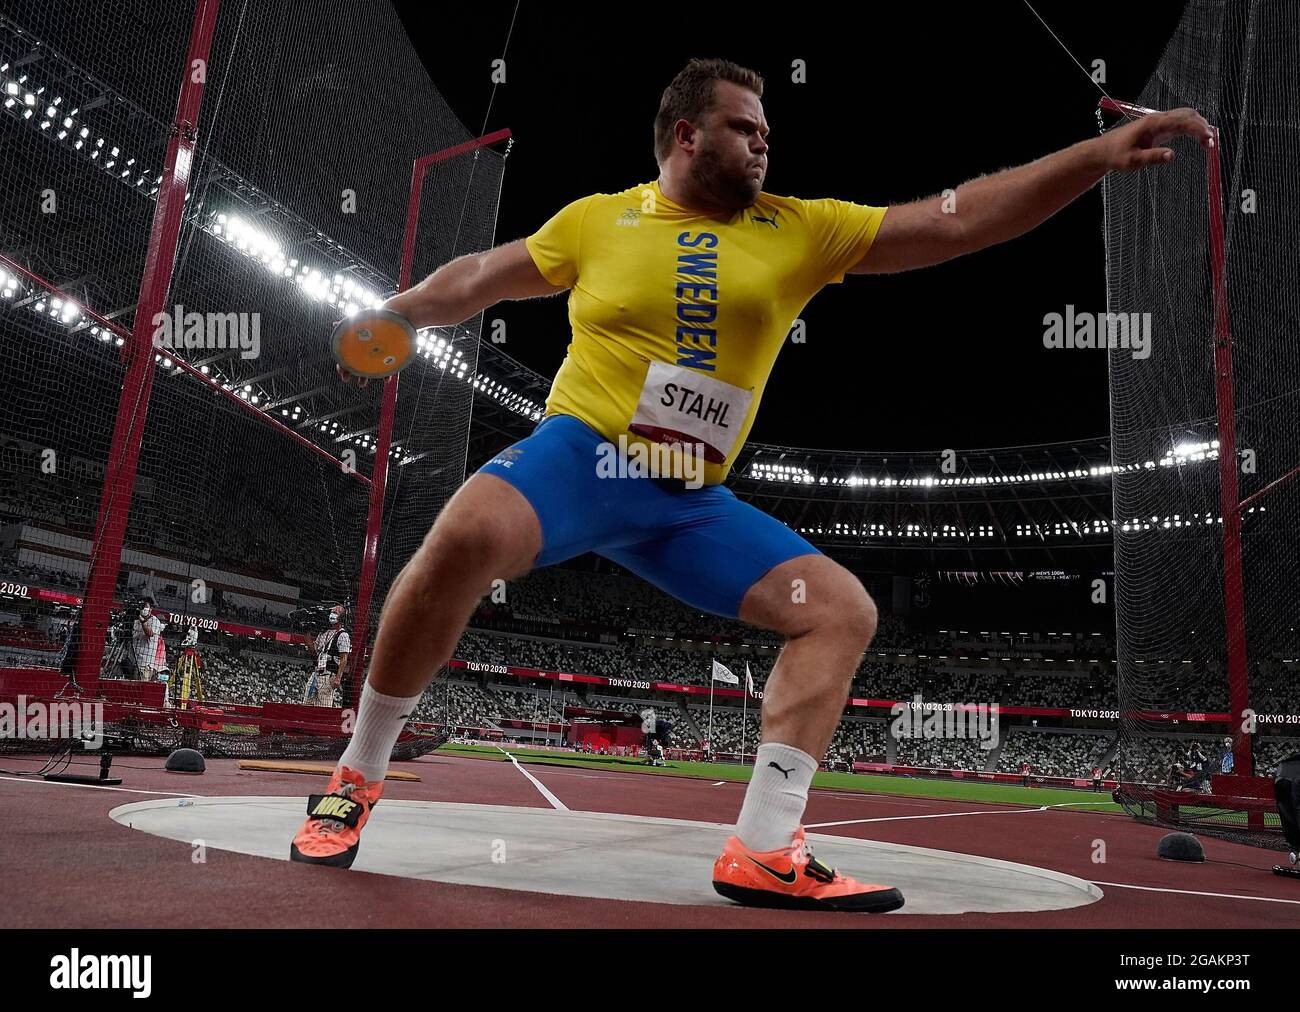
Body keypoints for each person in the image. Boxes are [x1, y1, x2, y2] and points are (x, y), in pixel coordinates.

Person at [291, 57, 1211, 911]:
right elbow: (484, 278)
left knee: (840, 610)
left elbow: (957, 217)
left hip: (688, 503)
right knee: (464, 534)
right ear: (687, 134)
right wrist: (402, 312)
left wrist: (1095, 154)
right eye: (744, 126)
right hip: (584, 459)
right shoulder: (598, 219)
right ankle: (356, 777)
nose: (764, 141)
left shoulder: (800, 229)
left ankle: (765, 849)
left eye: (767, 129)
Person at [302, 605, 350, 708]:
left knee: (323, 707)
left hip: (328, 675)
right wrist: (306, 634)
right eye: (332, 611)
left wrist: (338, 677)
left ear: (341, 617)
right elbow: (314, 653)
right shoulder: (323, 633)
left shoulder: (343, 635)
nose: (332, 614)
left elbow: (344, 658)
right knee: (306, 704)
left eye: (336, 612)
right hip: (316, 673)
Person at [131, 597, 166, 684]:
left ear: (151, 608)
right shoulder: (136, 621)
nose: (143, 608)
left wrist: (143, 622)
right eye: (141, 606)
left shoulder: (155, 621)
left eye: (145, 606)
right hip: (133, 660)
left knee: (140, 687)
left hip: (145, 663)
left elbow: (149, 633)